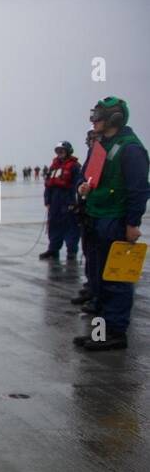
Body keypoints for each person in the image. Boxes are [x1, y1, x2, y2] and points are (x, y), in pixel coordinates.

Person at [73, 97, 147, 351]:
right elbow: (88, 176)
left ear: (114, 118)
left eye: (99, 116)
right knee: (97, 279)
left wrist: (132, 222)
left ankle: (115, 332)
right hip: (95, 216)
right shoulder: (101, 146)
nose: (94, 120)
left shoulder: (131, 149)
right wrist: (83, 186)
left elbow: (138, 189)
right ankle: (100, 331)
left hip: (114, 221)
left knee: (115, 279)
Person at [72, 130, 102, 307]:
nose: (91, 142)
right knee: (90, 253)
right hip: (89, 209)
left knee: (99, 257)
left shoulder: (105, 152)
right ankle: (92, 288)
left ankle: (98, 297)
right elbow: (84, 179)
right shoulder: (94, 154)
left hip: (103, 213)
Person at [39, 141, 82, 260]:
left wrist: (75, 203)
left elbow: (78, 185)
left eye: (62, 150)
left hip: (68, 201)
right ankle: (53, 249)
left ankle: (71, 251)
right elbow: (48, 185)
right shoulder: (53, 166)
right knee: (54, 225)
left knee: (71, 227)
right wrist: (47, 201)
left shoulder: (75, 166)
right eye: (58, 151)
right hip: (54, 202)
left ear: (68, 151)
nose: (60, 153)